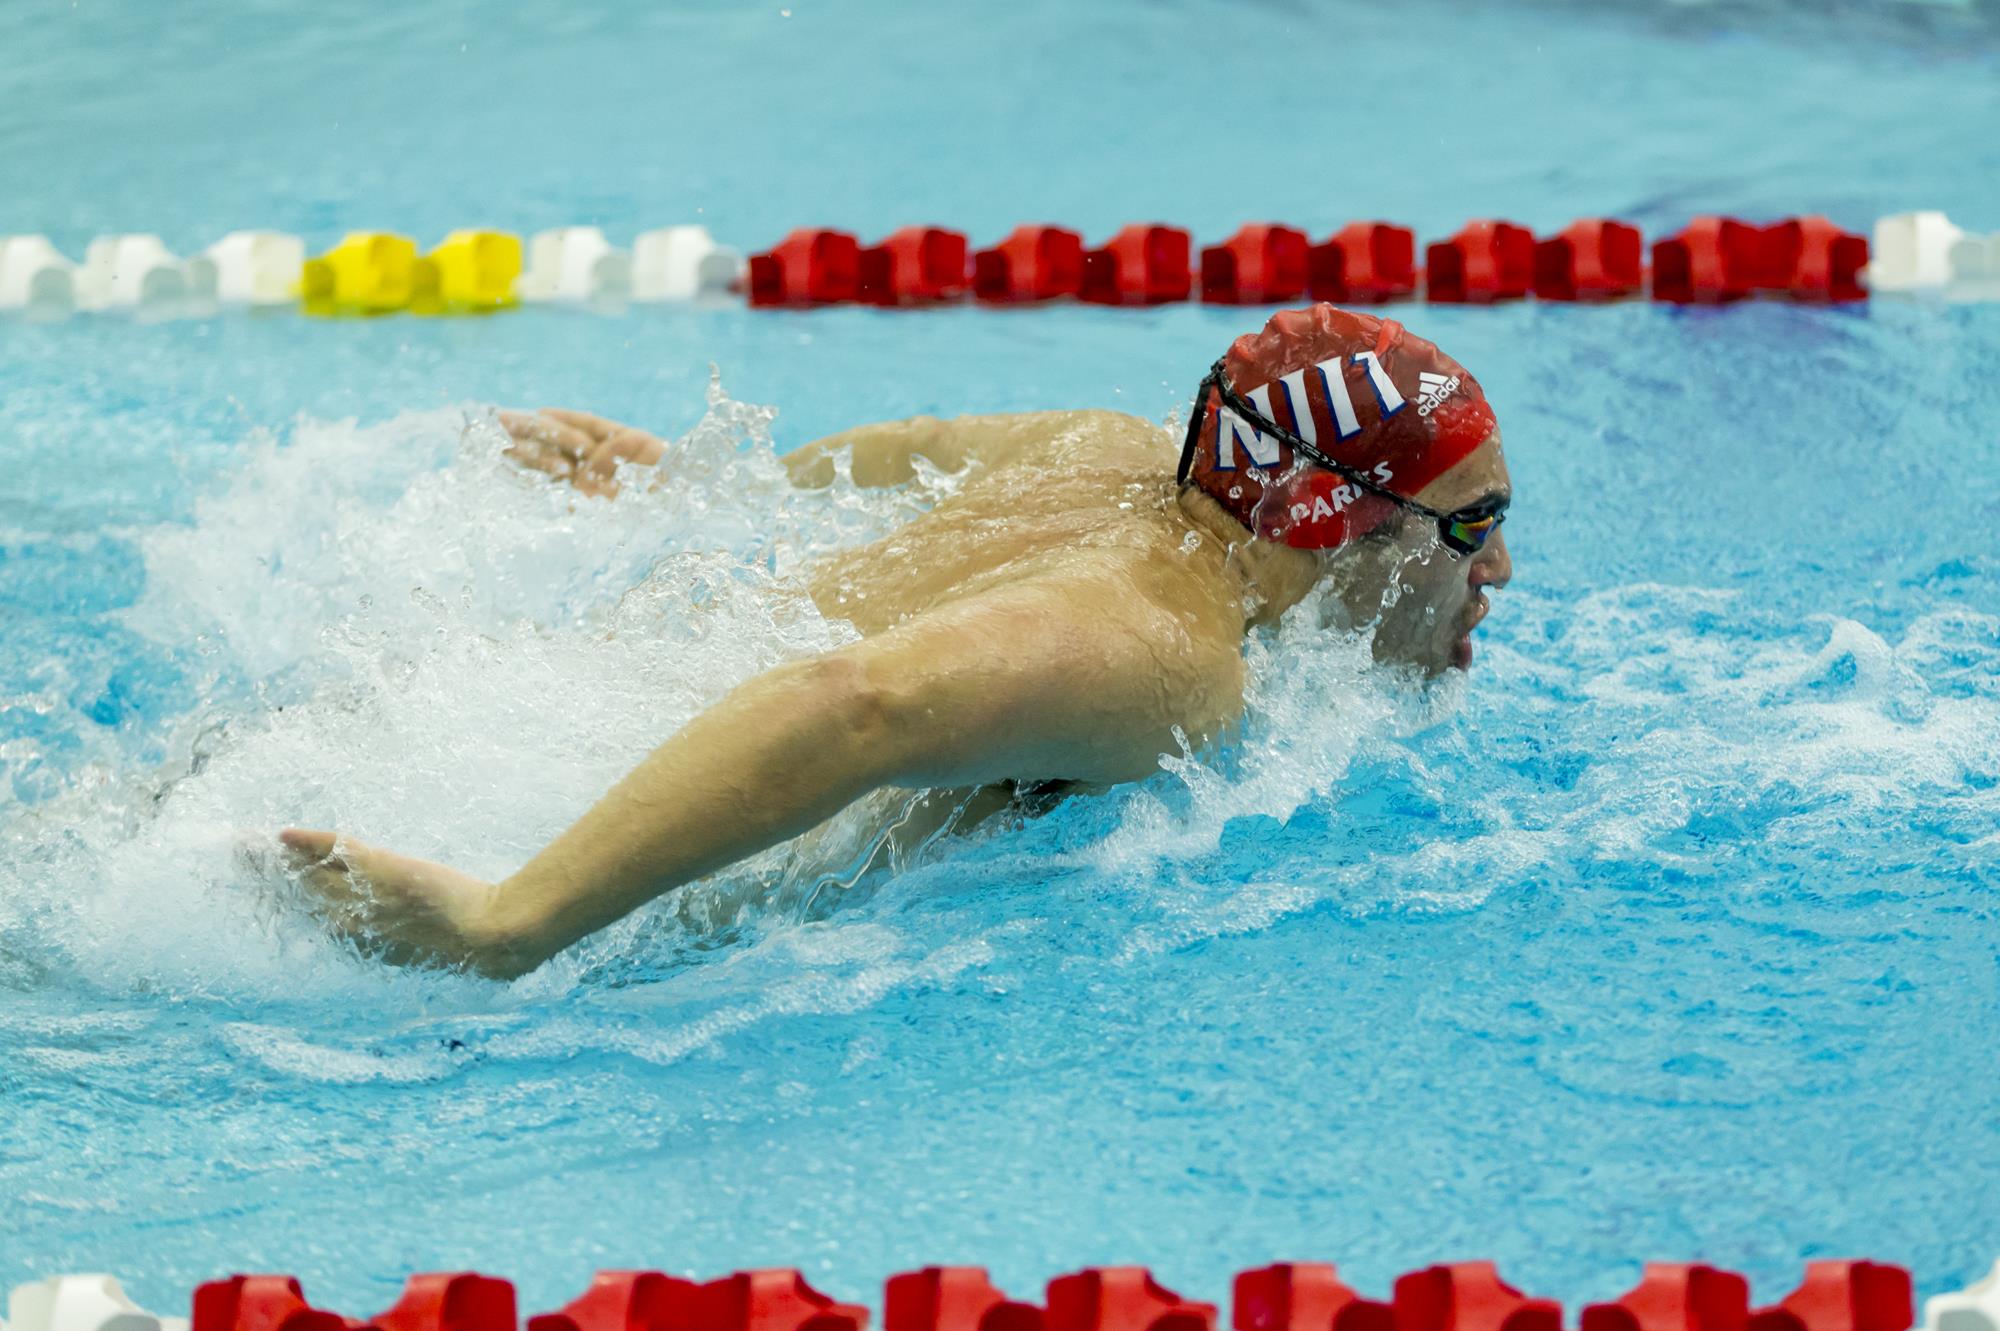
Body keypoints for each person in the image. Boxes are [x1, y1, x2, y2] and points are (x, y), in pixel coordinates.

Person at [277, 303, 1514, 978]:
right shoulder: (1164, 656)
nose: (1495, 570)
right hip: (508, 837)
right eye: (1472, 525)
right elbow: (855, 702)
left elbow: (900, 447)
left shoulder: (1106, 450)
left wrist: (691, 486)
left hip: (471, 712)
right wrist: (511, 922)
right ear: (1341, 520)